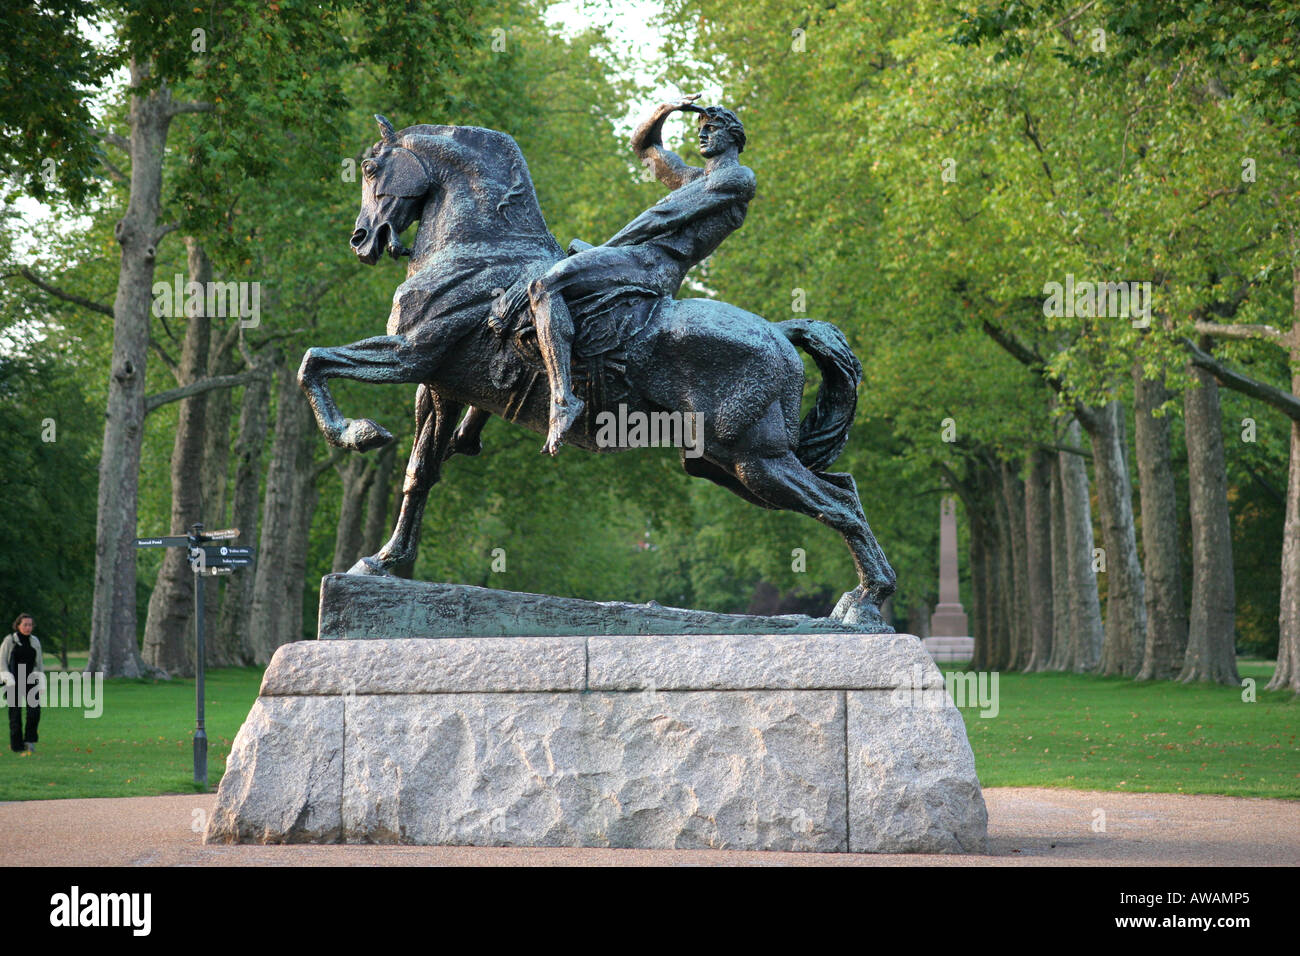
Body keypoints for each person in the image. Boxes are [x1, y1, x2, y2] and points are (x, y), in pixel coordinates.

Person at [490, 95, 755, 455]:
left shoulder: (737, 178)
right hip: (636, 258)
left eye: (712, 129)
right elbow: (644, 147)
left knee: (546, 284)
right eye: (700, 129)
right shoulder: (692, 178)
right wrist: (665, 110)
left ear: (733, 137)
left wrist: (603, 250)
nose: (702, 135)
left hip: (653, 268)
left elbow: (663, 219)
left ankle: (563, 398)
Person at [1, 613, 43, 754]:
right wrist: (7, 678)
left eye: (30, 625)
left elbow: (39, 664)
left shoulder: (35, 641)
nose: (27, 627)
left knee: (34, 712)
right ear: (18, 625)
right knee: (15, 714)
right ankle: (16, 745)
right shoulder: (9, 641)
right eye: (25, 624)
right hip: (13, 681)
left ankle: (29, 740)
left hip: (30, 680)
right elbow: (2, 663)